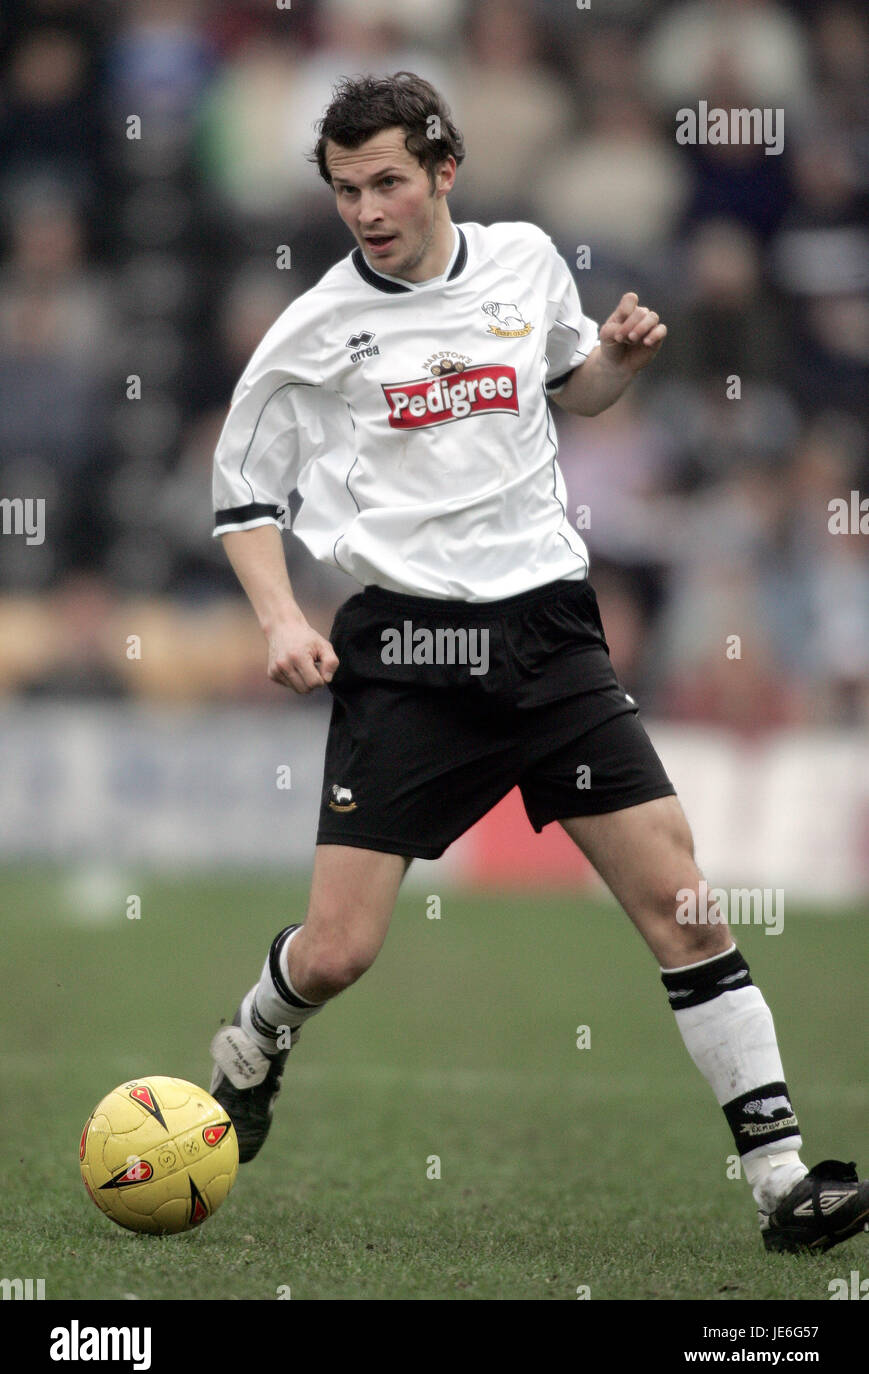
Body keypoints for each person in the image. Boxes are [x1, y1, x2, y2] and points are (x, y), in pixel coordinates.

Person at [208, 71, 868, 1255]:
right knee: (341, 950)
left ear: (443, 170)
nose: (366, 207)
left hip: (549, 634)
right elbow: (241, 498)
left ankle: (780, 1181)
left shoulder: (523, 263)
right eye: (347, 188)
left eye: (388, 181)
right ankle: (255, 1033)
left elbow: (578, 392)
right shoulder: (311, 331)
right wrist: (277, 620)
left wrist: (615, 357)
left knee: (681, 905)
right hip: (407, 648)